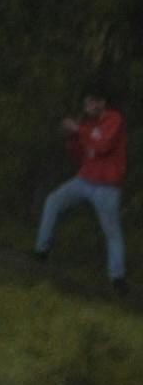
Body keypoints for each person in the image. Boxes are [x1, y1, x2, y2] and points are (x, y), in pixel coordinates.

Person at [38, 76, 129, 289]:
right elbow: (81, 155)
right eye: (86, 102)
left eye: (91, 102)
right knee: (53, 200)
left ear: (101, 103)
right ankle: (41, 251)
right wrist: (71, 139)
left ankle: (117, 277)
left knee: (112, 232)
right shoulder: (87, 124)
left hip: (106, 186)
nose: (87, 106)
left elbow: (104, 145)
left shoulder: (114, 120)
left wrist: (79, 130)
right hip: (85, 180)